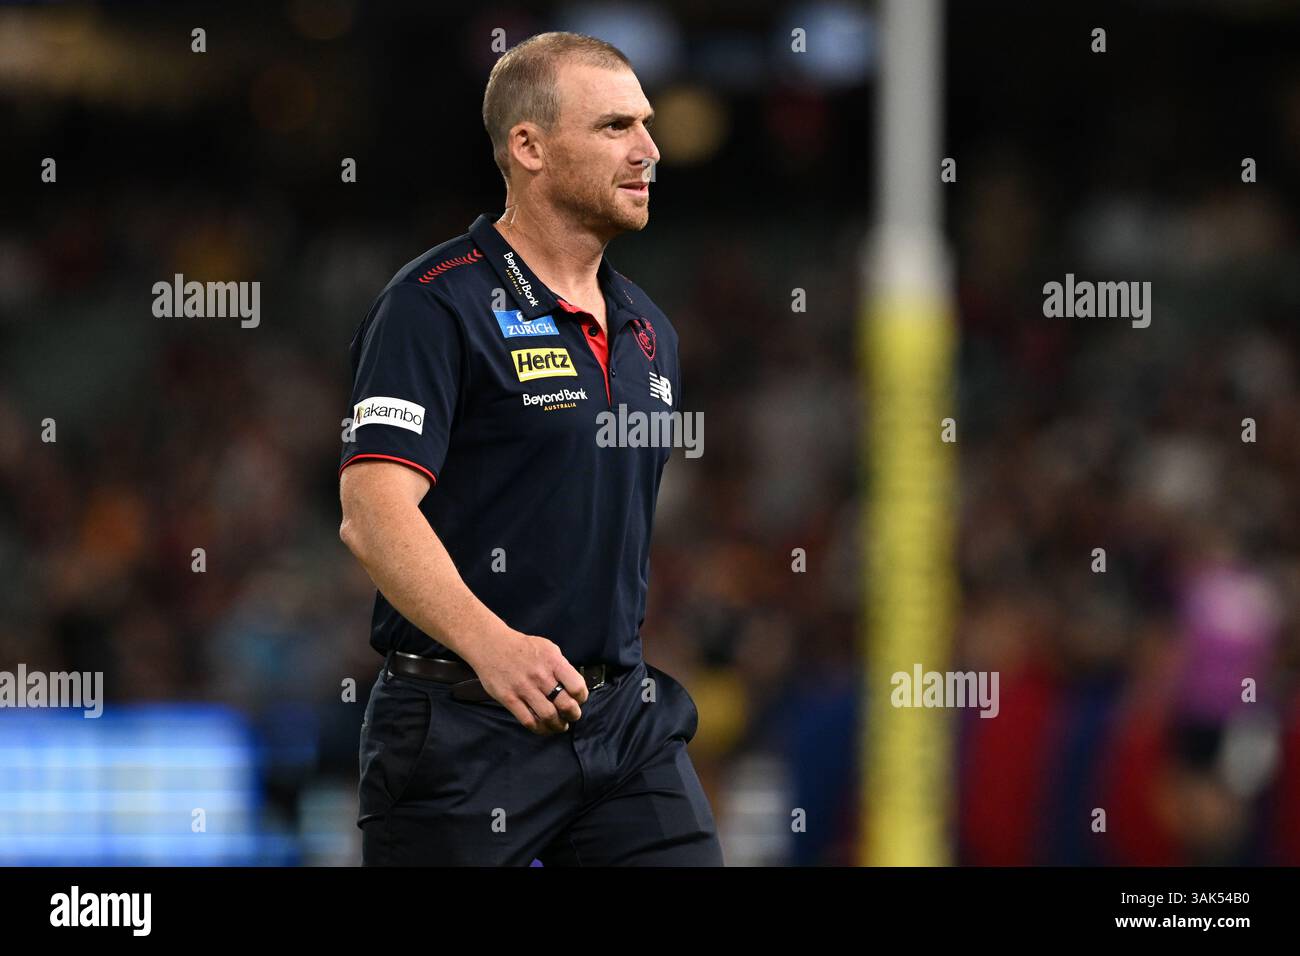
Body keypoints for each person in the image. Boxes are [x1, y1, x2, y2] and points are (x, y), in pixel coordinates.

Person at [337, 31, 723, 865]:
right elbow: (372, 513)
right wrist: (493, 644)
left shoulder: (651, 331)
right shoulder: (434, 306)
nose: (650, 151)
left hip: (621, 724)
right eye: (616, 127)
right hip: (462, 729)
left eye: (647, 125)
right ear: (529, 146)